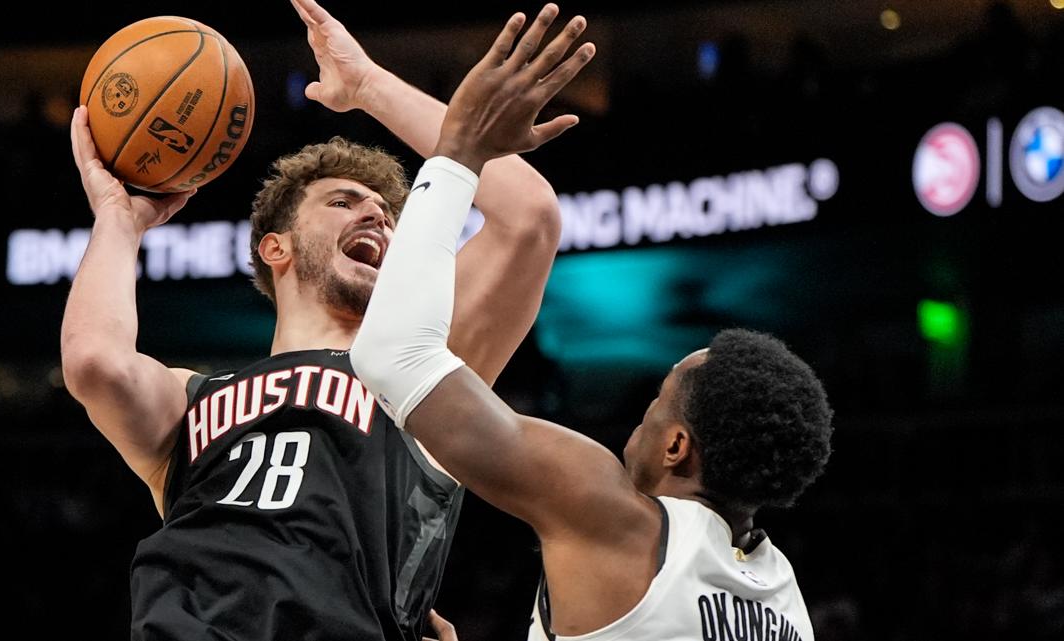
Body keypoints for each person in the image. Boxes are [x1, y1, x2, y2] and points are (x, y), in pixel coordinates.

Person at [61, 2, 590, 640]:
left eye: (389, 217)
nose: (377, 218)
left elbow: (528, 217)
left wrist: (367, 86)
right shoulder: (190, 400)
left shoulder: (420, 376)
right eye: (343, 202)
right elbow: (95, 362)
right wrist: (119, 220)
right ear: (275, 247)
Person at [350, 14, 833, 641]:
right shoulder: (785, 603)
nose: (641, 415)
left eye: (657, 400)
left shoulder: (616, 517)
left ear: (676, 447)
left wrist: (459, 151)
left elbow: (394, 354)